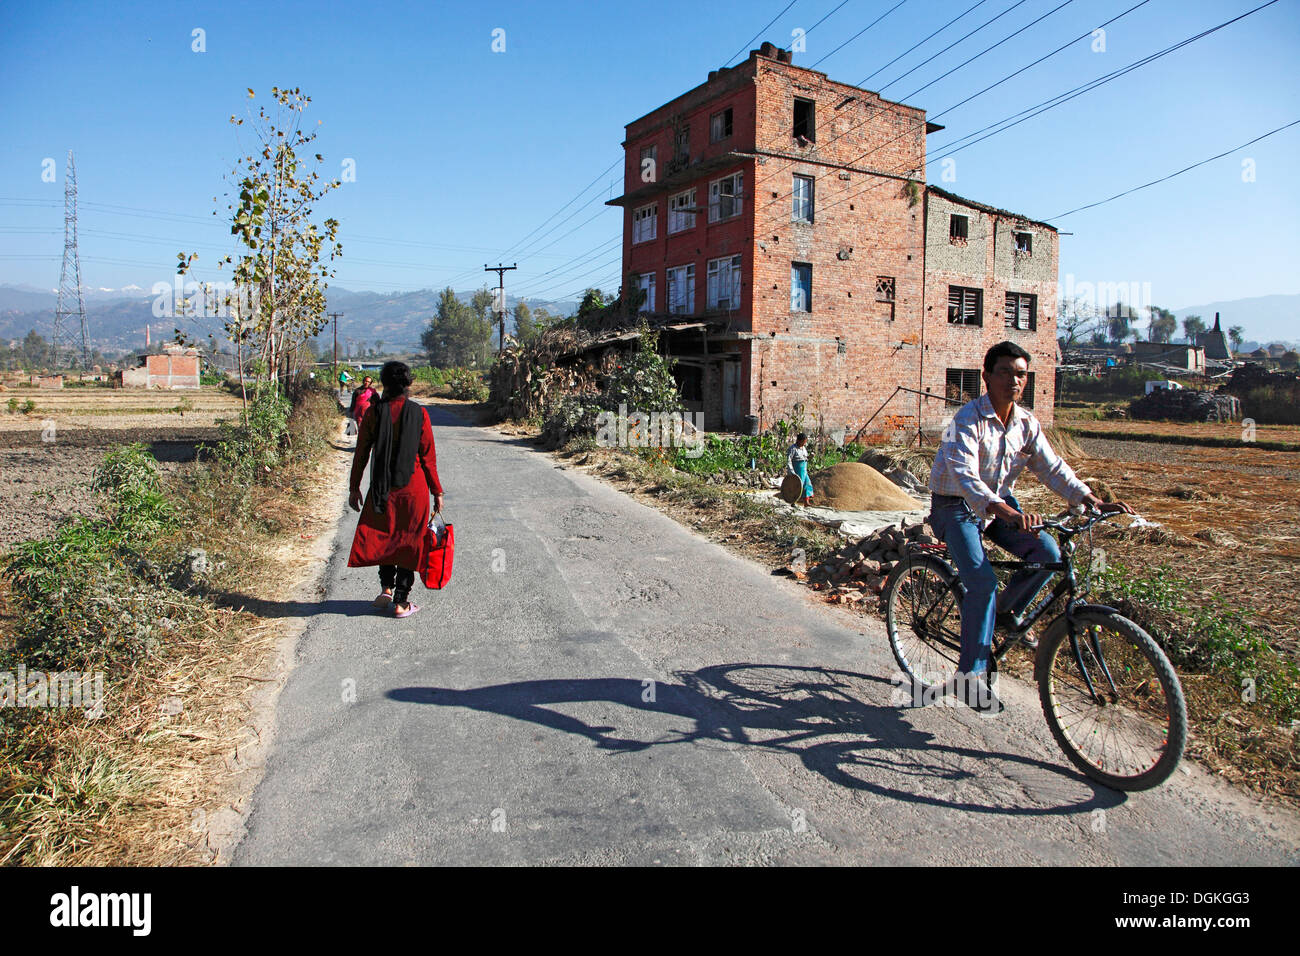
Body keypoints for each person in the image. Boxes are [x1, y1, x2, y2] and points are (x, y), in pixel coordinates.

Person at [927, 341, 1133, 713]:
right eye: (1005, 372)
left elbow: (1052, 468)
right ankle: (969, 677)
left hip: (998, 507)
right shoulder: (966, 420)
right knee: (982, 582)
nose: (1014, 381)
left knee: (1048, 553)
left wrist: (1089, 499)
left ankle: (1006, 611)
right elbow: (964, 475)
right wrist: (1005, 511)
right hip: (955, 505)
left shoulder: (1026, 424)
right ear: (986, 376)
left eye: (1020, 374)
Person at [347, 361, 445, 618]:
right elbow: (428, 459)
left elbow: (361, 454)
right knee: (408, 543)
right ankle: (402, 602)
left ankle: (386, 589)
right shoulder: (419, 413)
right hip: (414, 491)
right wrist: (437, 492)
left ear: (384, 383)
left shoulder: (373, 413)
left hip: (382, 488)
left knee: (385, 536)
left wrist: (354, 487)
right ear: (408, 383)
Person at [786, 433, 814, 506]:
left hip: (804, 470)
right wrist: (791, 471)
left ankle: (806, 502)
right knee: (797, 486)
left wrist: (810, 457)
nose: (804, 443)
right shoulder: (792, 449)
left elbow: (805, 458)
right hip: (797, 470)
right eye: (804, 442)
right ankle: (794, 502)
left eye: (805, 442)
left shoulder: (803, 448)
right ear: (799, 441)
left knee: (807, 484)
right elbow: (789, 460)